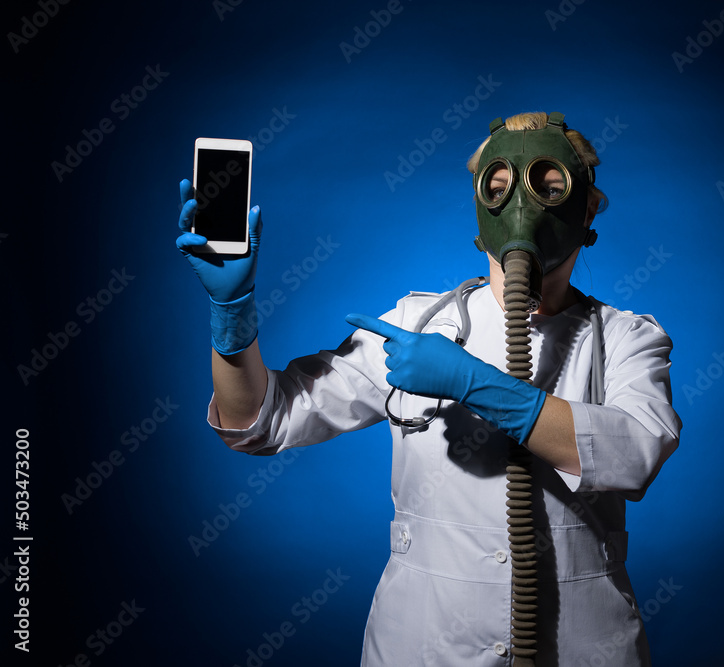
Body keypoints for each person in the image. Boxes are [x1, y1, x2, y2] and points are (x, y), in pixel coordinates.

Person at [176, 111, 682, 666]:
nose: (522, 205)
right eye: (498, 188)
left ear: (586, 209)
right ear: (480, 208)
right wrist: (231, 314)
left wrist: (471, 382)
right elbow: (261, 421)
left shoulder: (626, 337)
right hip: (423, 645)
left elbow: (636, 453)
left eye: (549, 186)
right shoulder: (415, 329)